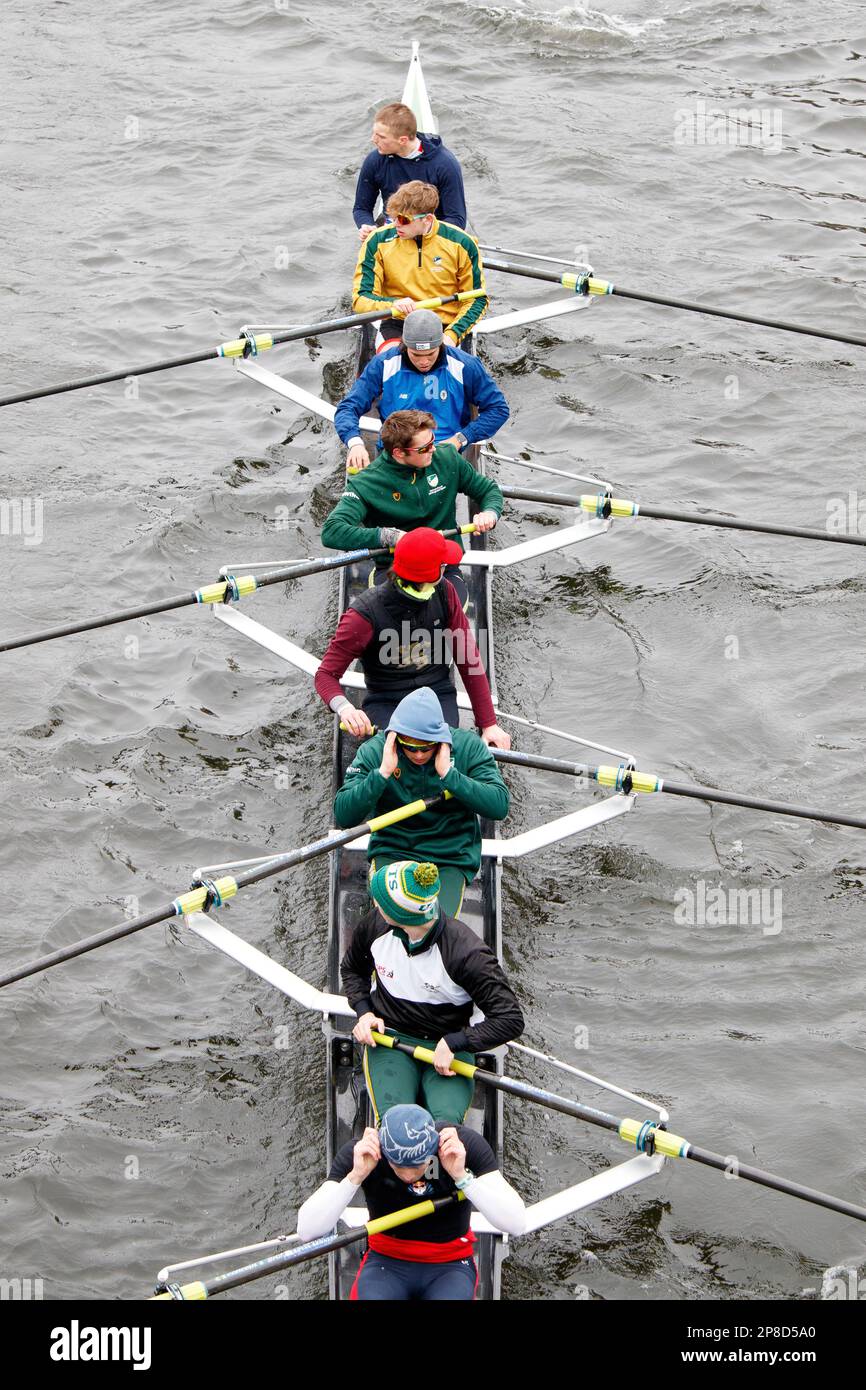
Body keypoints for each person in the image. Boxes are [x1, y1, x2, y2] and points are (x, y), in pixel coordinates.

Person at [340, 860, 524, 1124]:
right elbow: (352, 969)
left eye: (381, 901)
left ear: (401, 915)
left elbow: (510, 1019)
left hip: (448, 1045)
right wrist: (364, 1013)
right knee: (396, 1126)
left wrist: (456, 1043)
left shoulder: (467, 954)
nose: (375, 904)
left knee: (446, 1129)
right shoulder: (375, 927)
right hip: (390, 1039)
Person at [296, 1103, 526, 1300]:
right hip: (387, 1259)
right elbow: (308, 1231)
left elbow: (516, 1224)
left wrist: (462, 1177)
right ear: (384, 1150)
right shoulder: (364, 1151)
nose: (408, 1175)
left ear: (433, 1147)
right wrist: (355, 1177)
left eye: (417, 1166)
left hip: (449, 1261)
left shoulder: (462, 1145)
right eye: (398, 1166)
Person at [315, 528, 509, 740]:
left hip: (437, 694)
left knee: (440, 753)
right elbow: (326, 675)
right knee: (402, 755)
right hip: (386, 700)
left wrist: (489, 723)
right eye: (443, 565)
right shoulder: (362, 616)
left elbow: (468, 659)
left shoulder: (446, 592)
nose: (446, 568)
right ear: (431, 574)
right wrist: (345, 709)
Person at [334, 688, 511, 913]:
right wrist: (381, 775)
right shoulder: (375, 751)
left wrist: (450, 775)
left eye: (427, 747)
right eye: (410, 747)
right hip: (393, 849)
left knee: (433, 925)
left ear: (442, 737)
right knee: (396, 919)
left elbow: (499, 806)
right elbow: (343, 815)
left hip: (450, 856)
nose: (418, 755)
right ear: (395, 738)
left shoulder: (468, 747)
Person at [320, 409, 503, 570]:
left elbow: (489, 491)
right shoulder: (365, 483)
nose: (433, 449)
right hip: (396, 567)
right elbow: (332, 532)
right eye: (425, 448)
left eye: (433, 440)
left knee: (447, 609)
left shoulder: (447, 457)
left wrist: (490, 513)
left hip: (443, 561)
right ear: (399, 452)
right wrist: (388, 536)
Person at [334, 309, 509, 473]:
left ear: (441, 344)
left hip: (444, 452)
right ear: (405, 345)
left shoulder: (466, 365)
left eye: (430, 354)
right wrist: (355, 443)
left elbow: (498, 409)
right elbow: (348, 408)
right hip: (397, 453)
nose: (424, 361)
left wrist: (461, 438)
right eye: (416, 355)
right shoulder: (383, 364)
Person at [352, 181, 487, 350]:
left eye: (403, 219)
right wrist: (393, 304)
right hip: (398, 320)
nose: (396, 225)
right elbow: (361, 298)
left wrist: (452, 335)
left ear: (428, 219)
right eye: (393, 218)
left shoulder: (462, 243)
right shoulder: (377, 240)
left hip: (444, 324)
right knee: (392, 363)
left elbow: (476, 299)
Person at [353, 101, 467, 237]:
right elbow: (361, 208)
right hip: (393, 227)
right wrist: (367, 226)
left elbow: (457, 219)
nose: (373, 139)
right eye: (374, 133)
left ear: (402, 140)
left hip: (431, 235)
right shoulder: (375, 160)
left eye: (381, 137)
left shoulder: (445, 164)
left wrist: (420, 235)